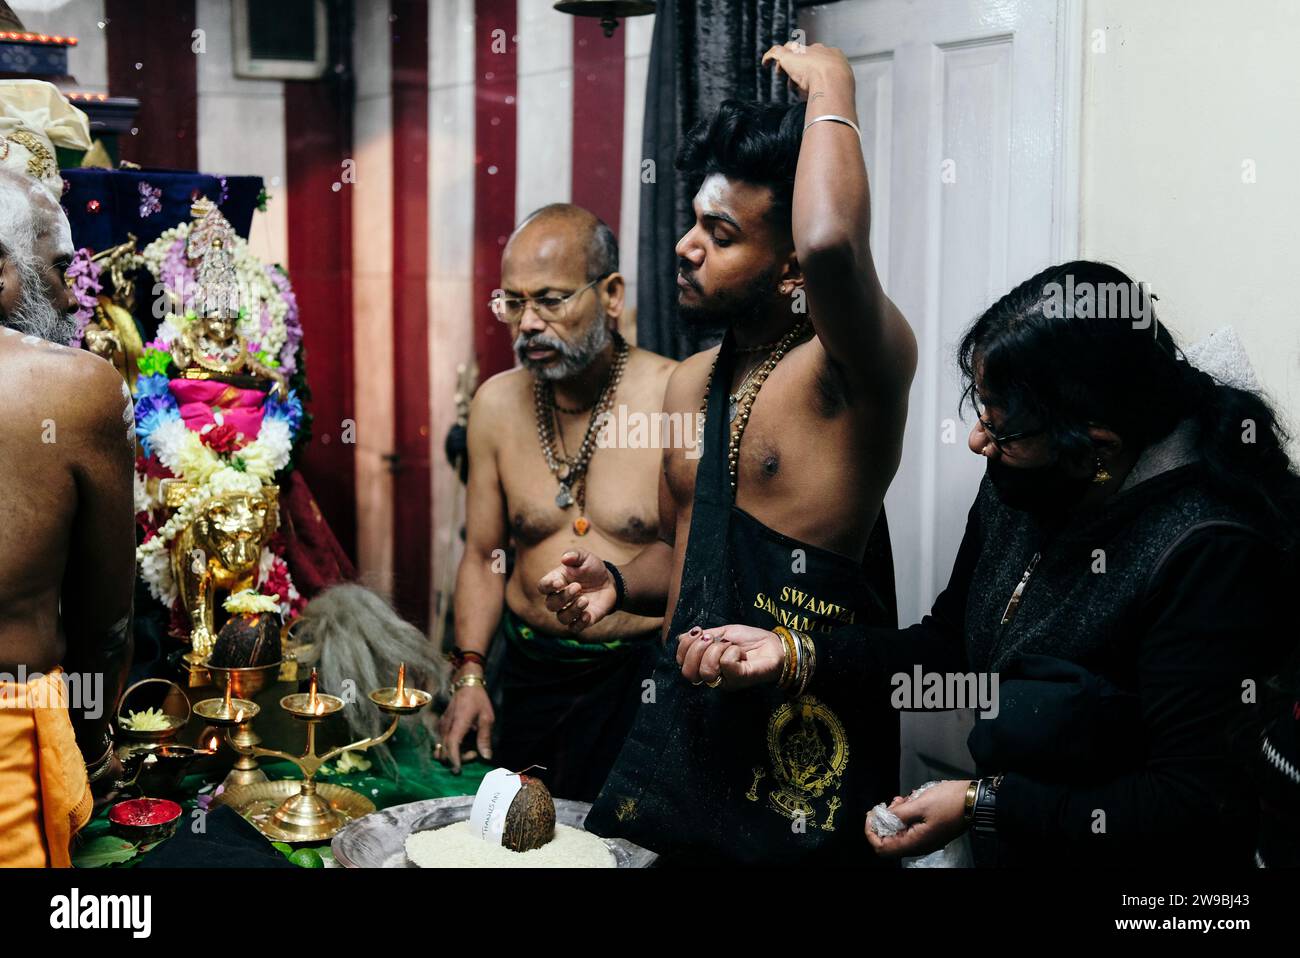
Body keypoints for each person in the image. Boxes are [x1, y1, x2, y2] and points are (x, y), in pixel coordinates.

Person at [678, 260, 1299, 867]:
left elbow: (1189, 805)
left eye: (1002, 432)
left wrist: (981, 802)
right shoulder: (1030, 479)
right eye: (982, 412)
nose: (979, 441)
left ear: (1095, 448)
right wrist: (793, 654)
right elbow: (951, 649)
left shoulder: (1211, 554)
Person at [537, 43, 917, 863]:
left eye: (720, 233)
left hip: (800, 745)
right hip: (686, 737)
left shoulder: (852, 372)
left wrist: (834, 87)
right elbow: (685, 555)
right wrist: (615, 581)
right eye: (691, 221)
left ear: (787, 265)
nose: (684, 245)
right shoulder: (688, 385)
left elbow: (835, 249)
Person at [438, 204, 676, 801]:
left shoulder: (676, 394)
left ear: (612, 294)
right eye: (513, 303)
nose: (528, 324)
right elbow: (482, 555)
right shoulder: (496, 404)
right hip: (528, 677)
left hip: (639, 680)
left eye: (550, 299)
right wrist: (469, 673)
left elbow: (694, 562)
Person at [0, 168, 136, 867]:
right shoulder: (75, 386)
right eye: (56, 268)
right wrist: (91, 745)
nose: (69, 292)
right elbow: (104, 617)